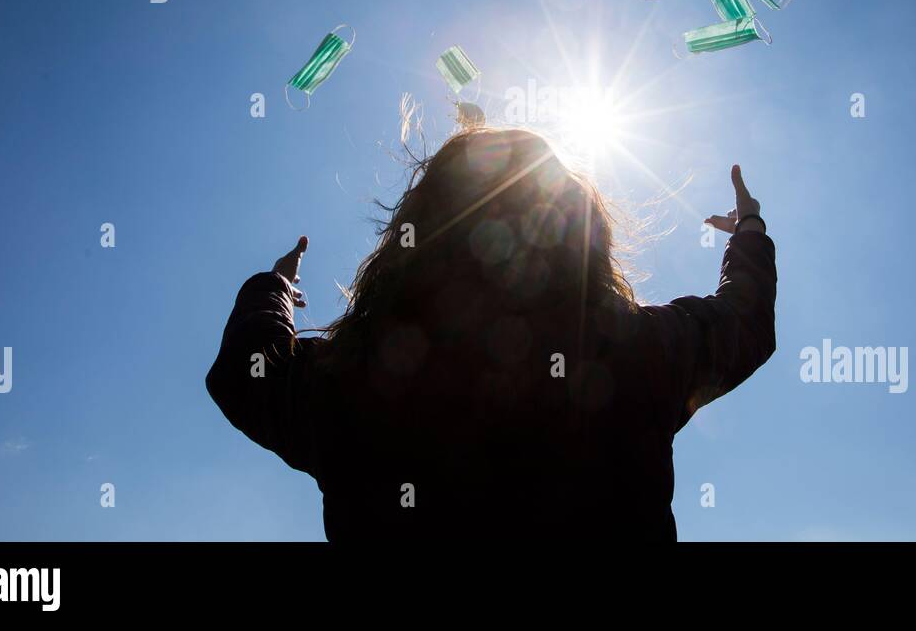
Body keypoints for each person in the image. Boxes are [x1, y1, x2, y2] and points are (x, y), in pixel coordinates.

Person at [206, 127, 776, 540]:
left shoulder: (354, 380)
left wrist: (275, 288)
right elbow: (744, 322)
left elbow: (247, 374)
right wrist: (747, 230)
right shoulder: (637, 353)